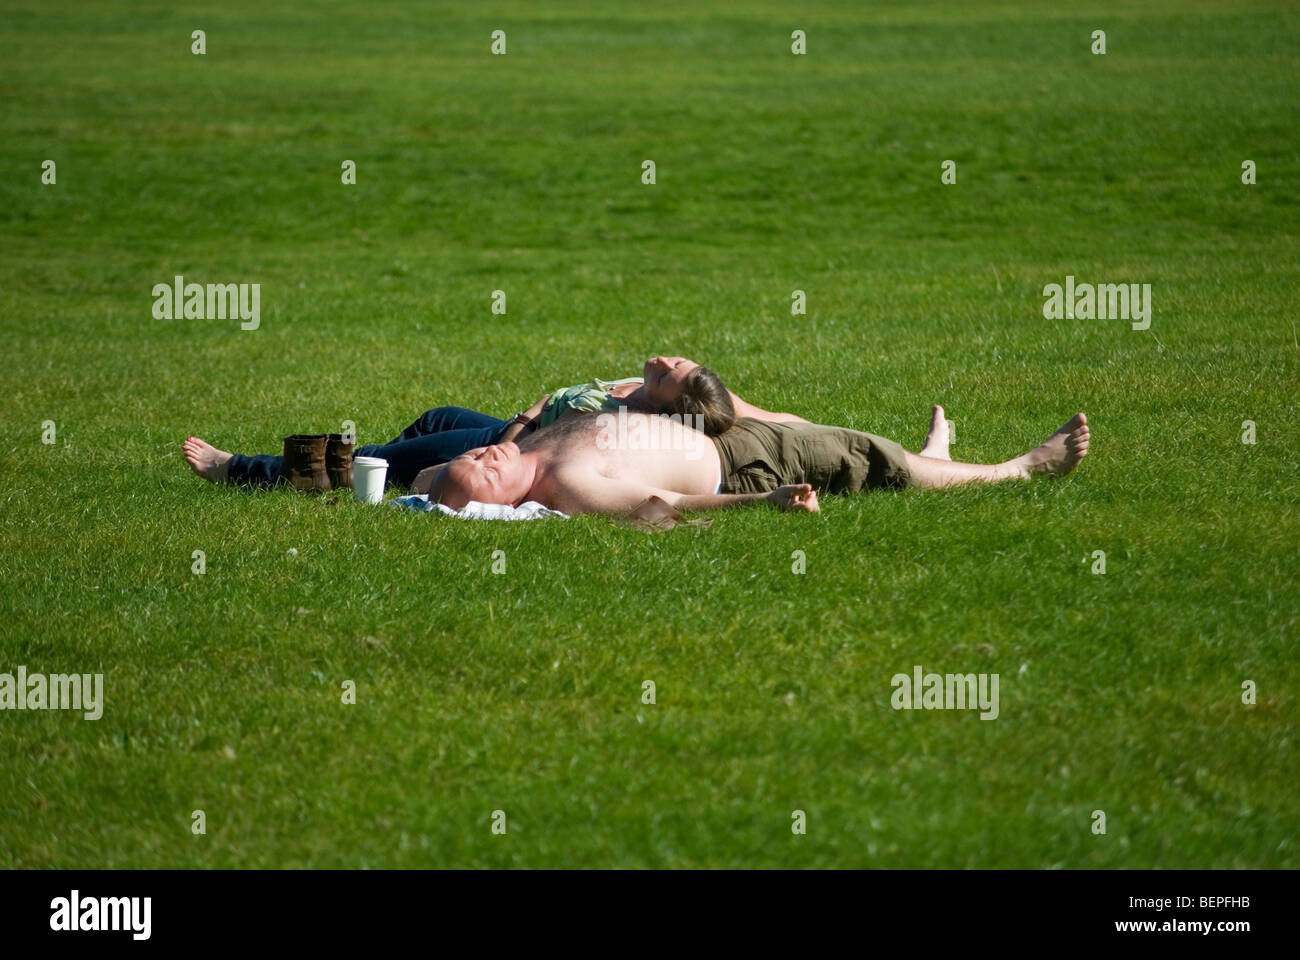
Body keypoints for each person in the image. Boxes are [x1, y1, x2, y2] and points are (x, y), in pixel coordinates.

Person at [183, 356, 745, 488]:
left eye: (666, 373)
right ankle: (394, 481)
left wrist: (502, 438)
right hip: (504, 424)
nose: (664, 362)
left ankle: (237, 469)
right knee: (434, 418)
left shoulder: (625, 420)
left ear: (659, 403)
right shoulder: (653, 396)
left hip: (499, 442)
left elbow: (536, 439)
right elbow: (759, 413)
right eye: (678, 362)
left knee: (364, 458)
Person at [423, 409, 1091, 515]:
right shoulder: (565, 484)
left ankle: (927, 461)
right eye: (483, 470)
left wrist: (446, 480)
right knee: (870, 457)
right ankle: (1023, 469)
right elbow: (668, 507)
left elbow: (430, 482)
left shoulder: (517, 449)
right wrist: (762, 502)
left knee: (870, 450)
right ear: (500, 501)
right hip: (744, 466)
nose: (482, 453)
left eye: (473, 454)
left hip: (729, 433)